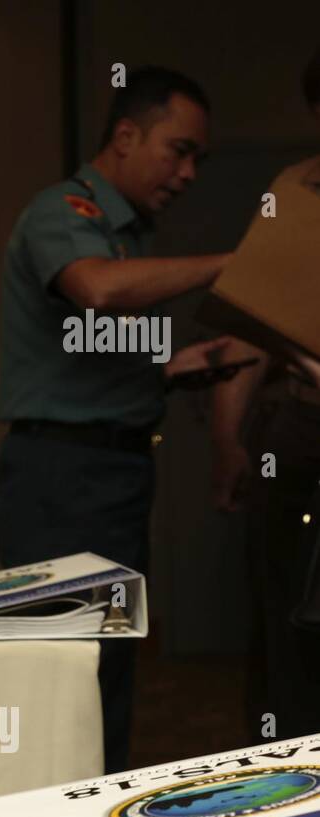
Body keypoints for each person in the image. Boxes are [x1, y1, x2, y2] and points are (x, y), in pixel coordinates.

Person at [0, 67, 240, 774]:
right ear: (126, 135)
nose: (187, 172)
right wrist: (230, 264)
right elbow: (96, 294)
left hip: (112, 471)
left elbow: (83, 352)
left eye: (198, 158)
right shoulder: (63, 214)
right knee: (66, 673)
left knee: (108, 671)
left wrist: (172, 369)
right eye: (179, 149)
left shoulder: (127, 235)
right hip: (62, 476)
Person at [210, 44, 320, 741]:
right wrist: (227, 445)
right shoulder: (295, 189)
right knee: (286, 617)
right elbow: (249, 328)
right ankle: (287, 780)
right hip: (301, 431)